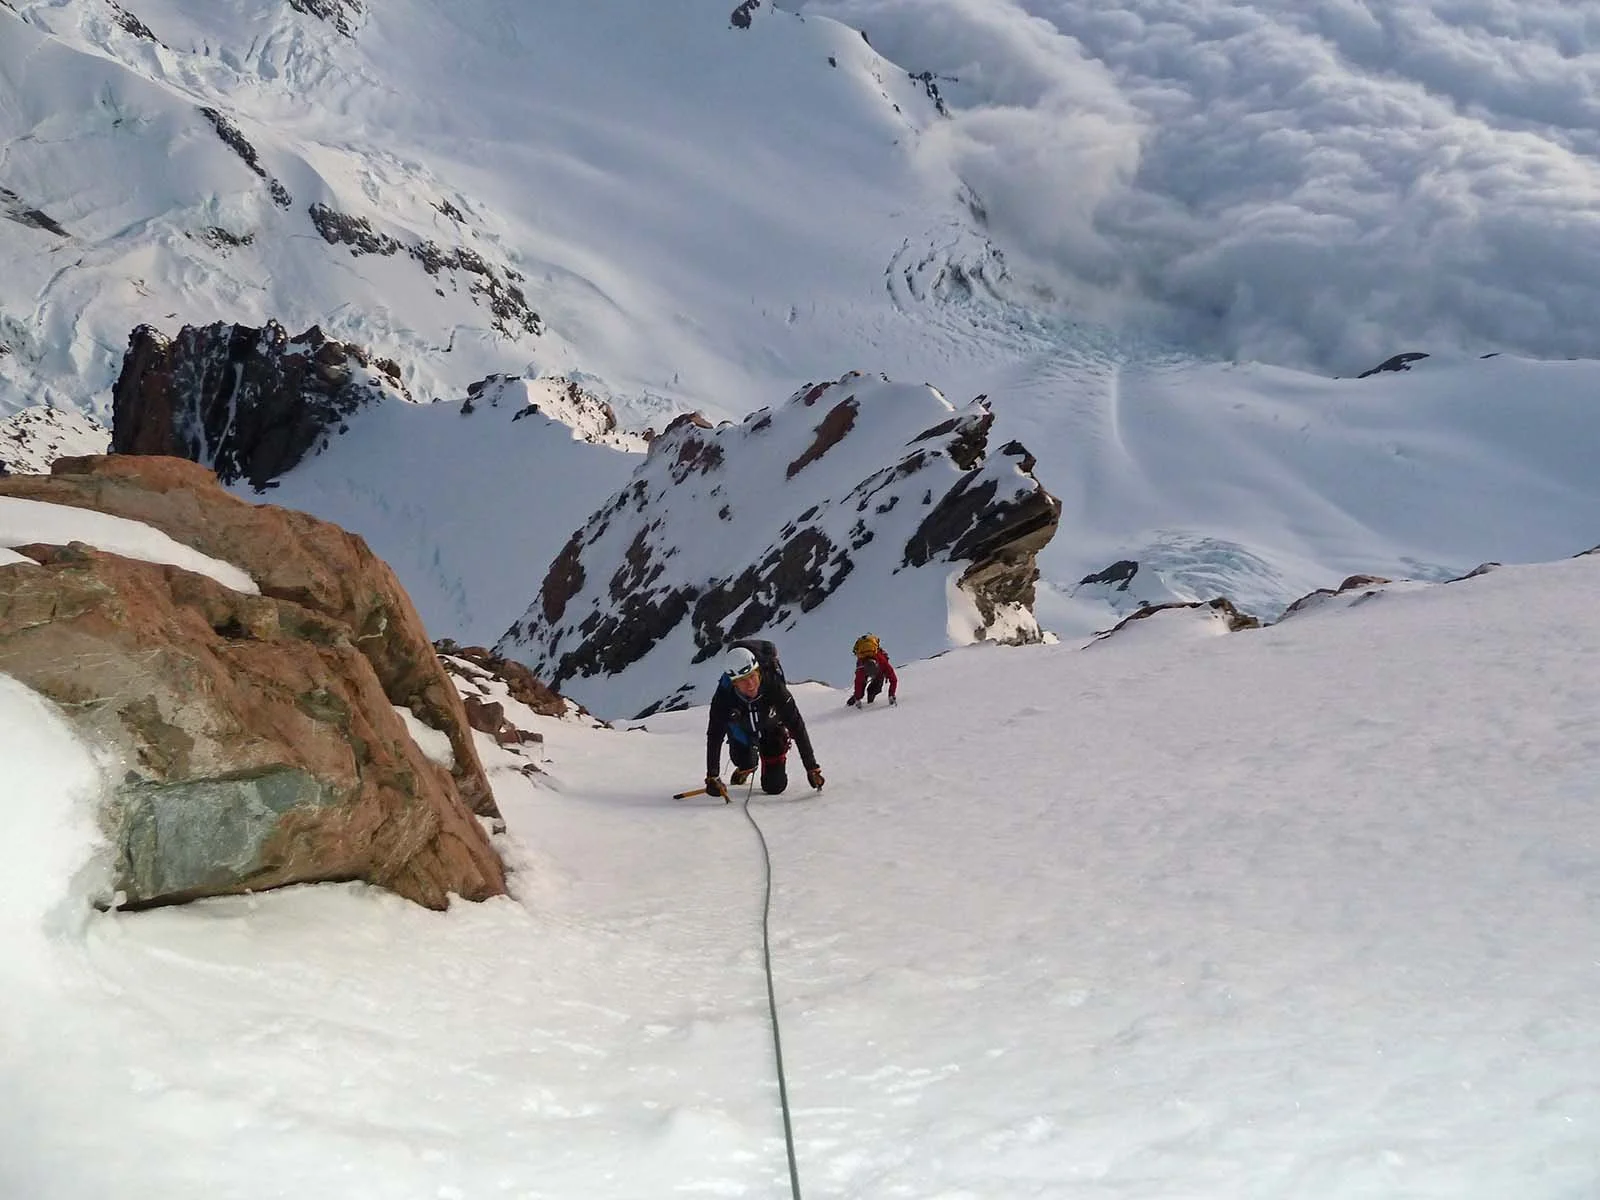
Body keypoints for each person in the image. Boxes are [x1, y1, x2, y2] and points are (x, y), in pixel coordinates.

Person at [706, 644, 825, 798]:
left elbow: (796, 725)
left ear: (758, 672)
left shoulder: (774, 687)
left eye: (752, 676)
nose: (750, 684)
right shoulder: (724, 697)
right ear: (734, 683)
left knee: (775, 786)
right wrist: (712, 776)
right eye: (743, 680)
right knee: (743, 760)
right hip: (742, 731)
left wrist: (811, 767)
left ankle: (756, 763)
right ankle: (747, 766)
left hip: (771, 731)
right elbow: (715, 734)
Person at [846, 634, 898, 707]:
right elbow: (858, 683)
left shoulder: (883, 663)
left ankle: (870, 704)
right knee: (862, 689)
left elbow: (893, 679)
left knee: (874, 688)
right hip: (870, 669)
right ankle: (853, 702)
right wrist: (858, 698)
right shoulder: (861, 668)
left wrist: (891, 695)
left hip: (879, 671)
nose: (872, 676)